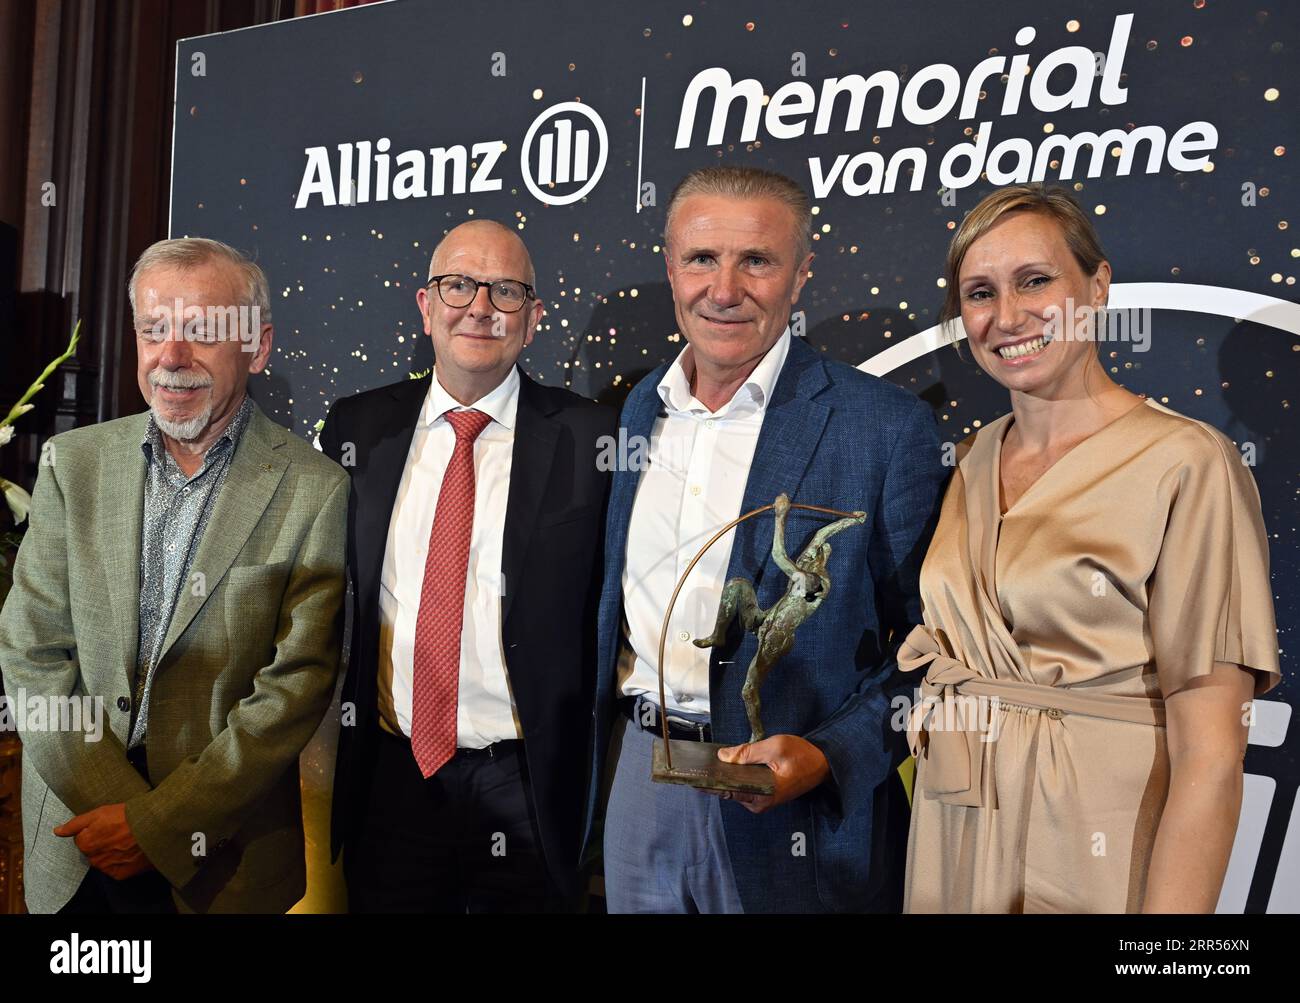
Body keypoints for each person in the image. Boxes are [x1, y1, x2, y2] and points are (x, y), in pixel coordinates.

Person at [900, 184, 1281, 913]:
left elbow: (1212, 755)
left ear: (1097, 286)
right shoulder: (972, 458)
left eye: (1035, 280)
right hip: (954, 832)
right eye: (980, 293)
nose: (1007, 316)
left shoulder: (1188, 461)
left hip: (1093, 847)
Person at [585, 166, 946, 913]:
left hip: (794, 810)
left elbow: (932, 652)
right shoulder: (634, 414)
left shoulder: (881, 427)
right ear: (670, 267)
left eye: (756, 260)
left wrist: (828, 753)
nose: (724, 289)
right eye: (701, 259)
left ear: (801, 273)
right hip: (641, 781)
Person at [0, 237, 348, 913]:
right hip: (77, 841)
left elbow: (295, 686)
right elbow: (32, 652)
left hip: (221, 864)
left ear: (259, 346)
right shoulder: (72, 464)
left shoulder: (315, 488)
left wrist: (160, 828)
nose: (172, 357)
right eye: (155, 330)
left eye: (201, 331)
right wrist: (124, 814)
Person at [322, 220, 614, 912]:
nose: (479, 306)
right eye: (458, 284)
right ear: (425, 305)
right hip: (391, 780)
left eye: (505, 290)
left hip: (527, 785)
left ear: (534, 318)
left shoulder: (593, 438)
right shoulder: (357, 428)